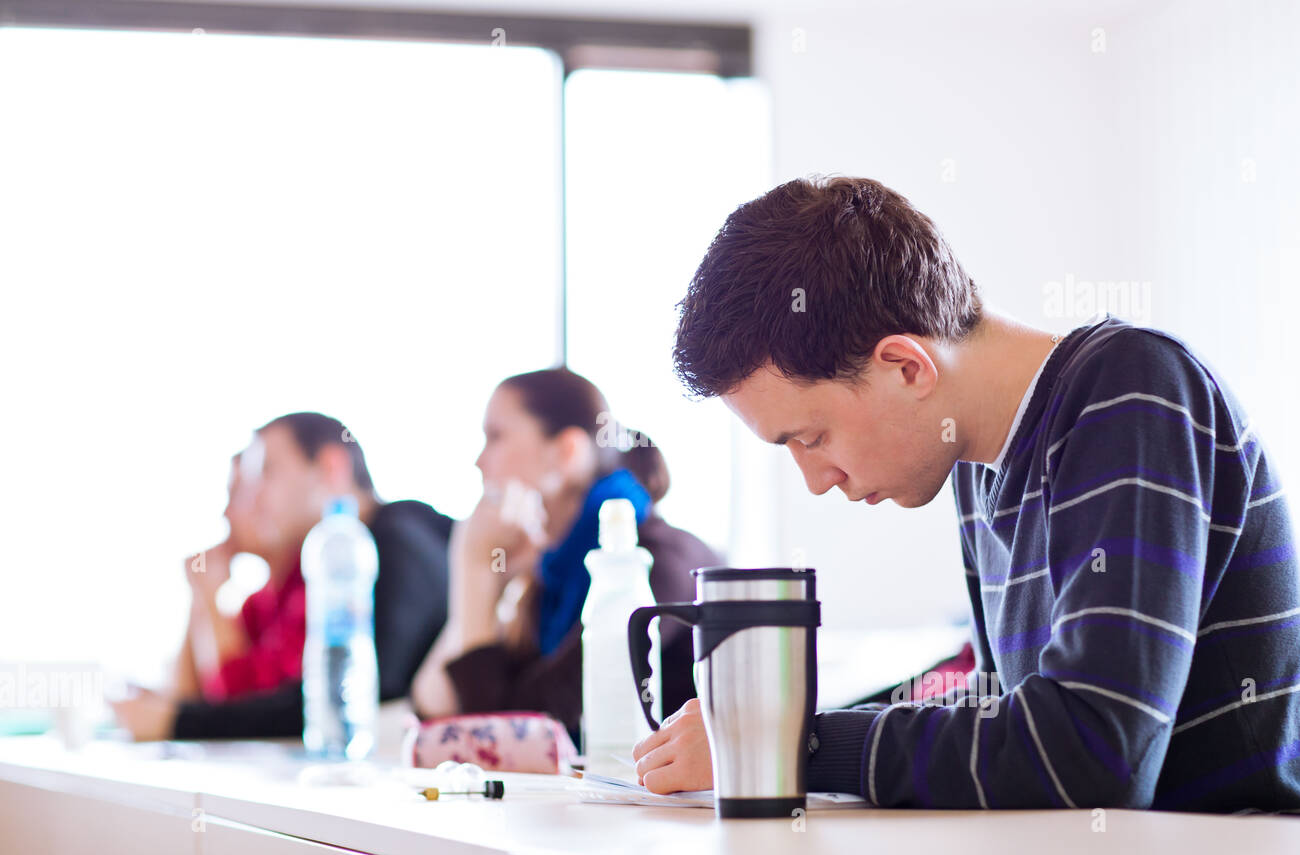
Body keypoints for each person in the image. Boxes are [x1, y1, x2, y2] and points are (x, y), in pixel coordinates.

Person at [633, 175, 1300, 813]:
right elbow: (996, 704)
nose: (817, 480)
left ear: (906, 366)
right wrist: (792, 728)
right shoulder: (981, 463)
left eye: (811, 437)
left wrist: (785, 747)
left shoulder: (1131, 389)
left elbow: (1096, 751)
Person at [409, 367, 721, 743]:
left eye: (495, 436)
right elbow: (432, 704)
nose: (479, 461)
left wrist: (475, 569)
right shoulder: (552, 573)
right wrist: (485, 581)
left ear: (566, 451)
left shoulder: (653, 562)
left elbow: (514, 739)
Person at [110, 413, 452, 740]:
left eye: (265, 473)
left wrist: (180, 723)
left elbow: (358, 694)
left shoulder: (399, 536)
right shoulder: (310, 568)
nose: (252, 498)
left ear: (331, 468)